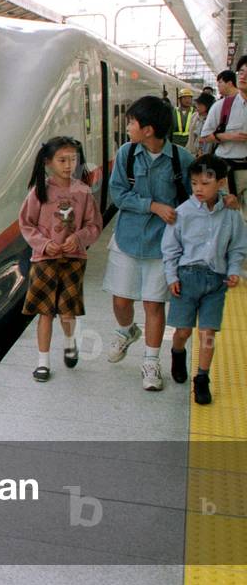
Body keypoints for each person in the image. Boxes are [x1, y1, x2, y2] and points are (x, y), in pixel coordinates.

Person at [103, 95, 194, 391]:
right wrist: (153, 206)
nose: (127, 126)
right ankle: (127, 330)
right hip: (128, 238)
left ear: (149, 130)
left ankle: (151, 362)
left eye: (131, 122)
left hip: (164, 245)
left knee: (154, 304)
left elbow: (198, 195)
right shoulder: (126, 154)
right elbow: (118, 194)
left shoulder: (182, 159)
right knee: (121, 300)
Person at [162, 155, 247, 404]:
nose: (198, 188)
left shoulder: (232, 215)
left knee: (207, 333)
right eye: (194, 183)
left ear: (221, 183)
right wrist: (171, 276)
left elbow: (237, 248)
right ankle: (177, 352)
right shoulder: (182, 213)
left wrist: (233, 270)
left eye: (205, 183)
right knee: (183, 331)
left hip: (216, 282)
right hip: (186, 280)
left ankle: (202, 378)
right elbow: (170, 249)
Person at [19, 136, 103, 382]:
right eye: (62, 160)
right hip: (44, 260)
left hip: (74, 258)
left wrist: (78, 238)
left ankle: (70, 343)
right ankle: (42, 362)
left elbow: (94, 224)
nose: (68, 165)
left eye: (73, 160)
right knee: (45, 312)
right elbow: (26, 224)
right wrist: (44, 244)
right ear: (48, 162)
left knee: (68, 312)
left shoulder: (83, 191)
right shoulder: (39, 191)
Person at [200, 57, 247, 217]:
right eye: (241, 72)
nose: (243, 76)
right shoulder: (222, 106)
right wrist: (230, 136)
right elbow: (205, 135)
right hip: (225, 172)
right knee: (223, 217)